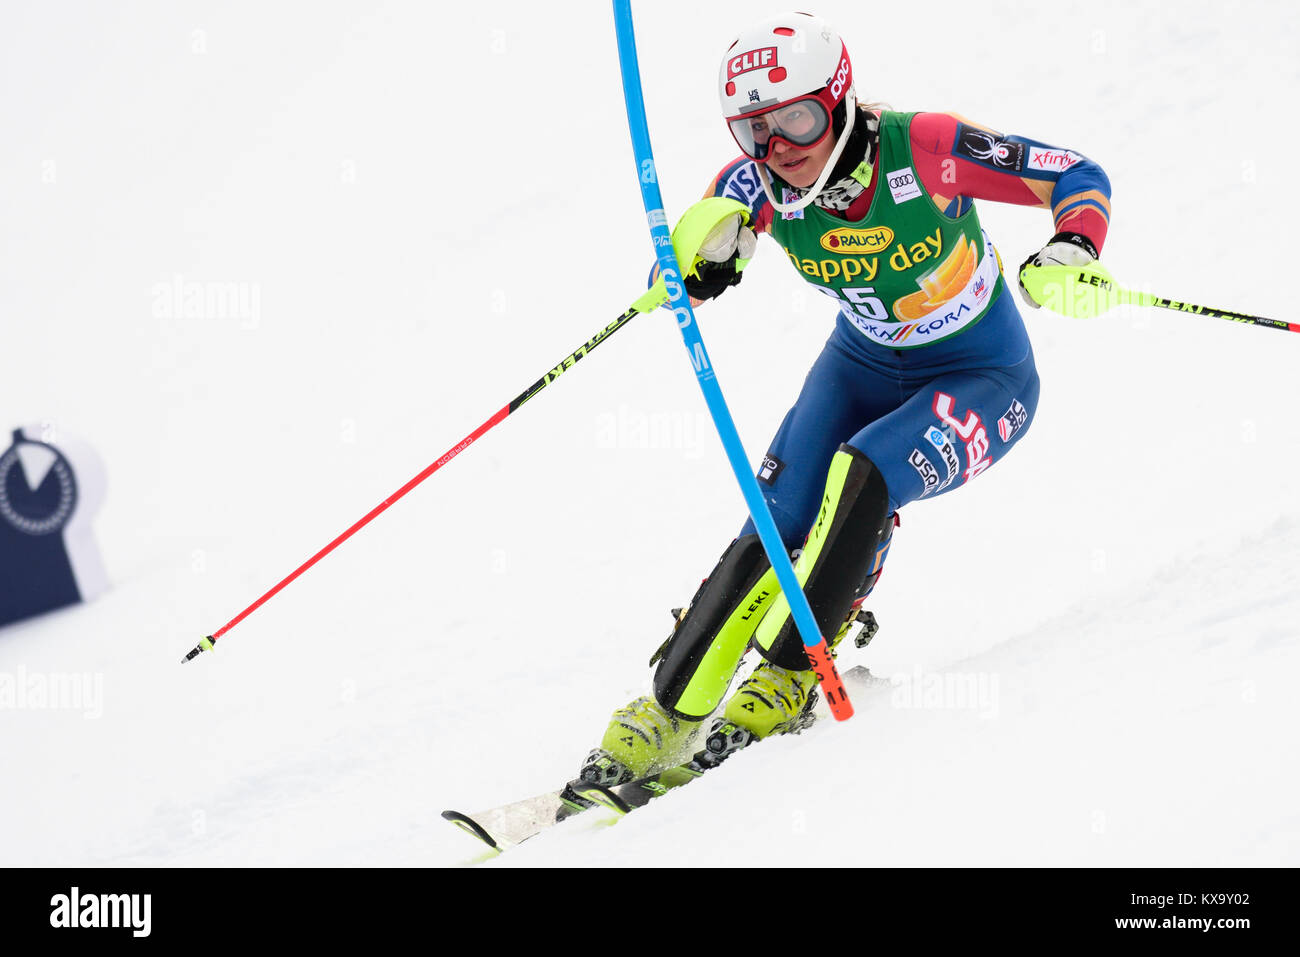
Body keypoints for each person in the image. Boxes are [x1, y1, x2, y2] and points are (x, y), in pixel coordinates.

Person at [579, 10, 1111, 785]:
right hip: (860, 363)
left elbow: (1074, 174)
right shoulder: (753, 180)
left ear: (838, 97)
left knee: (862, 473)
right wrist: (697, 266)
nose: (781, 150)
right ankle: (667, 708)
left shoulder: (925, 148)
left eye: (796, 119)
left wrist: (1072, 246)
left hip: (982, 377)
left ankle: (790, 675)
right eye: (754, 130)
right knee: (778, 516)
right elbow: (713, 240)